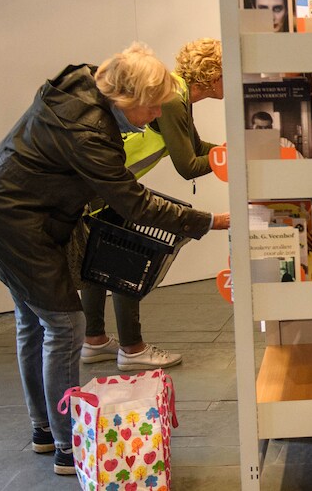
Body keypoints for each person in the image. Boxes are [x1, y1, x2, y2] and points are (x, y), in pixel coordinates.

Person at [0, 42, 231, 475]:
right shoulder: (88, 132)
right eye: (152, 109)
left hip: (6, 203)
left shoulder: (91, 88)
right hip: (14, 217)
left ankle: (45, 430)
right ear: (129, 100)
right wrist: (210, 221)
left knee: (32, 321)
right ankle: (69, 446)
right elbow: (134, 202)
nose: (157, 117)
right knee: (64, 326)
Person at [81, 38, 224, 372]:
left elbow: (196, 145)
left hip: (105, 182)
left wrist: (231, 151)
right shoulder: (173, 99)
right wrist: (230, 157)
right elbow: (187, 164)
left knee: (98, 258)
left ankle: (94, 340)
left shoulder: (178, 94)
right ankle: (132, 349)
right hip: (111, 183)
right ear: (213, 75)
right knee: (124, 260)